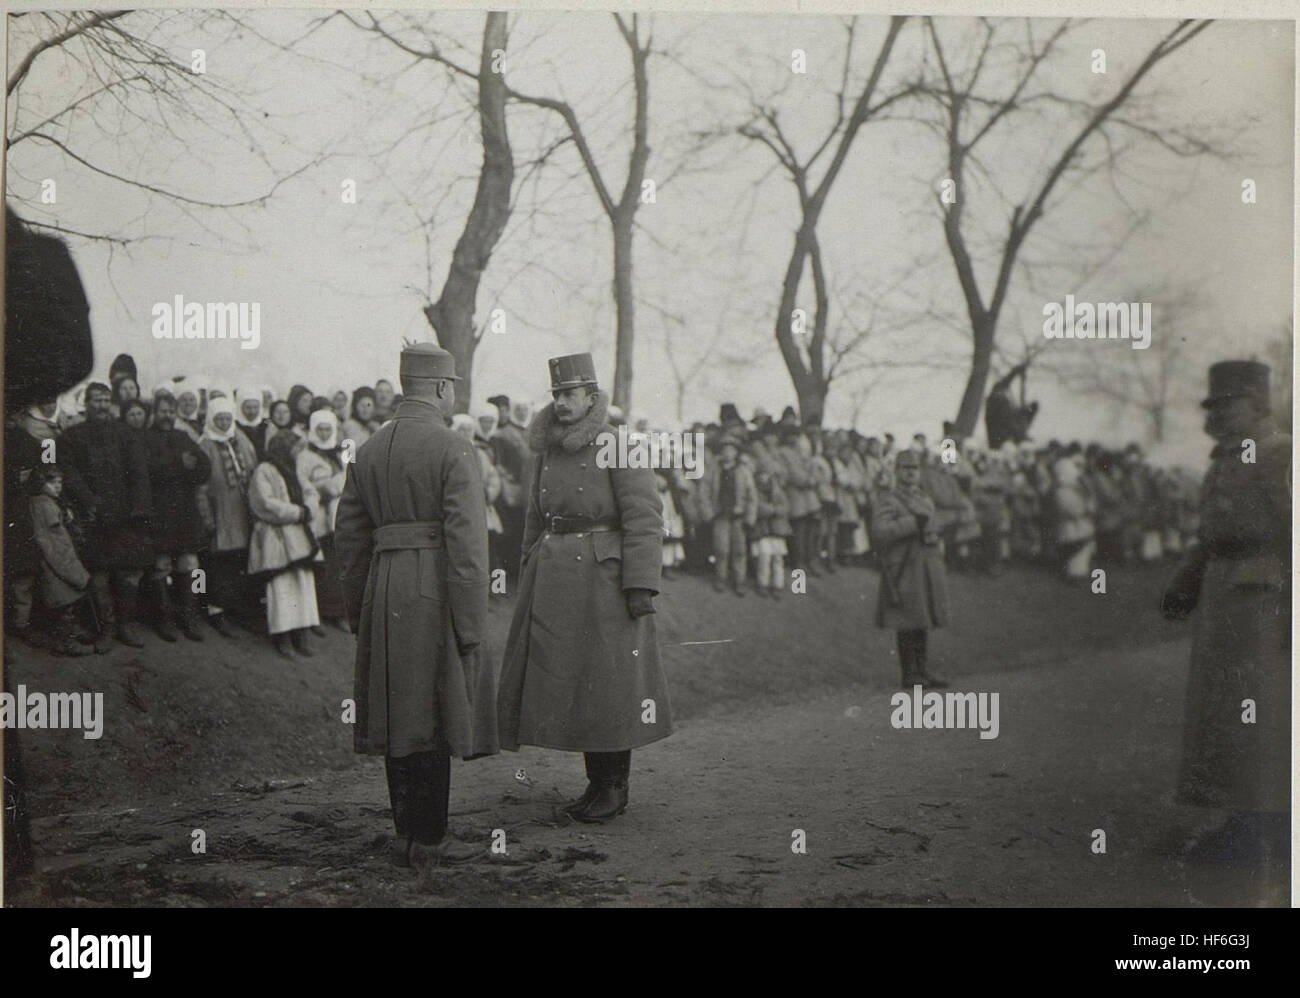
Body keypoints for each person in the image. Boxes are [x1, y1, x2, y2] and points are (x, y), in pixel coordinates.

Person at [335, 344, 494, 868]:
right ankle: (431, 838)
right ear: (444, 388)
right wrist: (471, 623)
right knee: (432, 711)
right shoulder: (454, 448)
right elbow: (468, 547)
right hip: (432, 589)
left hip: (383, 586)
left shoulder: (367, 449)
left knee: (395, 710)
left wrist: (359, 609)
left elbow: (349, 538)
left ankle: (406, 833)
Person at [498, 353, 672, 824]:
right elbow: (534, 519)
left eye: (570, 393)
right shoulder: (547, 452)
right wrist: (528, 568)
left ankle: (614, 785)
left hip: (605, 580)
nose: (561, 402)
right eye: (556, 393)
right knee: (576, 682)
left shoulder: (621, 445)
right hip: (556, 579)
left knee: (609, 682)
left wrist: (640, 585)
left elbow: (644, 518)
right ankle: (596, 784)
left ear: (592, 397)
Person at [1161, 360, 1290, 869]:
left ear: (1259, 403)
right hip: (1223, 596)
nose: (1216, 415)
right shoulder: (1225, 459)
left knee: (1261, 710)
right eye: (1212, 405)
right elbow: (1211, 534)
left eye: (1227, 404)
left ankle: (1270, 823)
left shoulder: (1280, 453)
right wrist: (1186, 580)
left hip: (1265, 597)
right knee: (1225, 712)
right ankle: (1244, 815)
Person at [59, 382, 154, 651]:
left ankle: (125, 625)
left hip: (125, 514)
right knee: (98, 575)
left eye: (105, 400)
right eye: (96, 400)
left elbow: (138, 472)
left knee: (129, 573)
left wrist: (139, 508)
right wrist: (90, 502)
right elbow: (69, 474)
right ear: (86, 404)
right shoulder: (72, 436)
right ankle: (107, 628)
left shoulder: (125, 433)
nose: (101, 406)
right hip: (92, 516)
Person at [871, 449, 949, 689]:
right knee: (907, 620)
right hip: (903, 566)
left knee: (922, 618)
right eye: (906, 469)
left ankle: (922, 670)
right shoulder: (889, 499)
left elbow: (934, 524)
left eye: (914, 469)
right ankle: (910, 673)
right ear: (896, 471)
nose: (911, 473)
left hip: (925, 564)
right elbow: (880, 532)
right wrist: (912, 523)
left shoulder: (924, 498)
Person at [144, 393, 212, 642]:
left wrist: (190, 467)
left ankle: (190, 617)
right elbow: (148, 470)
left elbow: (205, 467)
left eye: (171, 412)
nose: (167, 416)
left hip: (185, 513)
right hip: (159, 512)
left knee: (191, 566)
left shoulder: (184, 437)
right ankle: (165, 619)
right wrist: (178, 464)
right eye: (163, 411)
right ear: (155, 413)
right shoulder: (145, 438)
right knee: (161, 567)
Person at [248, 433, 320, 657]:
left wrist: (309, 508)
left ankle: (302, 632)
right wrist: (298, 512)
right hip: (275, 536)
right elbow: (265, 503)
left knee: (303, 584)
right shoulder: (264, 471)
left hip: (299, 535)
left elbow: (311, 492)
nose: (298, 453)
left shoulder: (295, 468)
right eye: (294, 448)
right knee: (281, 586)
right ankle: (283, 636)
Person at [195, 397, 257, 636]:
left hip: (241, 513)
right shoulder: (204, 445)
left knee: (238, 563)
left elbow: (253, 469)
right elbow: (199, 488)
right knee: (216, 565)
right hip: (219, 513)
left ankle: (234, 609)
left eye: (227, 417)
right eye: (218, 418)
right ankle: (214, 610)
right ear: (211, 418)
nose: (223, 422)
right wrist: (207, 518)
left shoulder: (241, 439)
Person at [29, 465, 94, 657]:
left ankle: (70, 632)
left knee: (69, 601)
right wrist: (67, 567)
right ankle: (66, 643)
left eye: (59, 482)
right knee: (65, 602)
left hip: (59, 558)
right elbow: (49, 538)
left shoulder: (47, 502)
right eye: (52, 482)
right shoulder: (43, 505)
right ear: (41, 483)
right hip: (56, 561)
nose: (57, 487)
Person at [296, 409, 348, 631]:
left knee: (339, 565)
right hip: (318, 516)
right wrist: (329, 487)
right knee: (320, 565)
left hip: (340, 515)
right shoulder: (305, 455)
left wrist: (336, 485)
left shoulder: (343, 450)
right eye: (321, 429)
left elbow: (353, 475)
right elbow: (303, 484)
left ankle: (338, 612)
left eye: (328, 429)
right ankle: (316, 613)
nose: (325, 433)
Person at [698, 434, 757, 596]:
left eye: (731, 450)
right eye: (724, 450)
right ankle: (721, 578)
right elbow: (704, 491)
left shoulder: (744, 471)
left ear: (736, 452)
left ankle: (739, 581)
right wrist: (708, 513)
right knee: (721, 549)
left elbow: (752, 496)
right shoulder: (713, 470)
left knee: (739, 551)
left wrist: (750, 517)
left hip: (738, 516)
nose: (727, 453)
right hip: (720, 516)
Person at [234, 387, 269, 459]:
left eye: (255, 407)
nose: (252, 411)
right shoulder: (234, 426)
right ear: (240, 407)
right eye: (248, 407)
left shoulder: (266, 424)